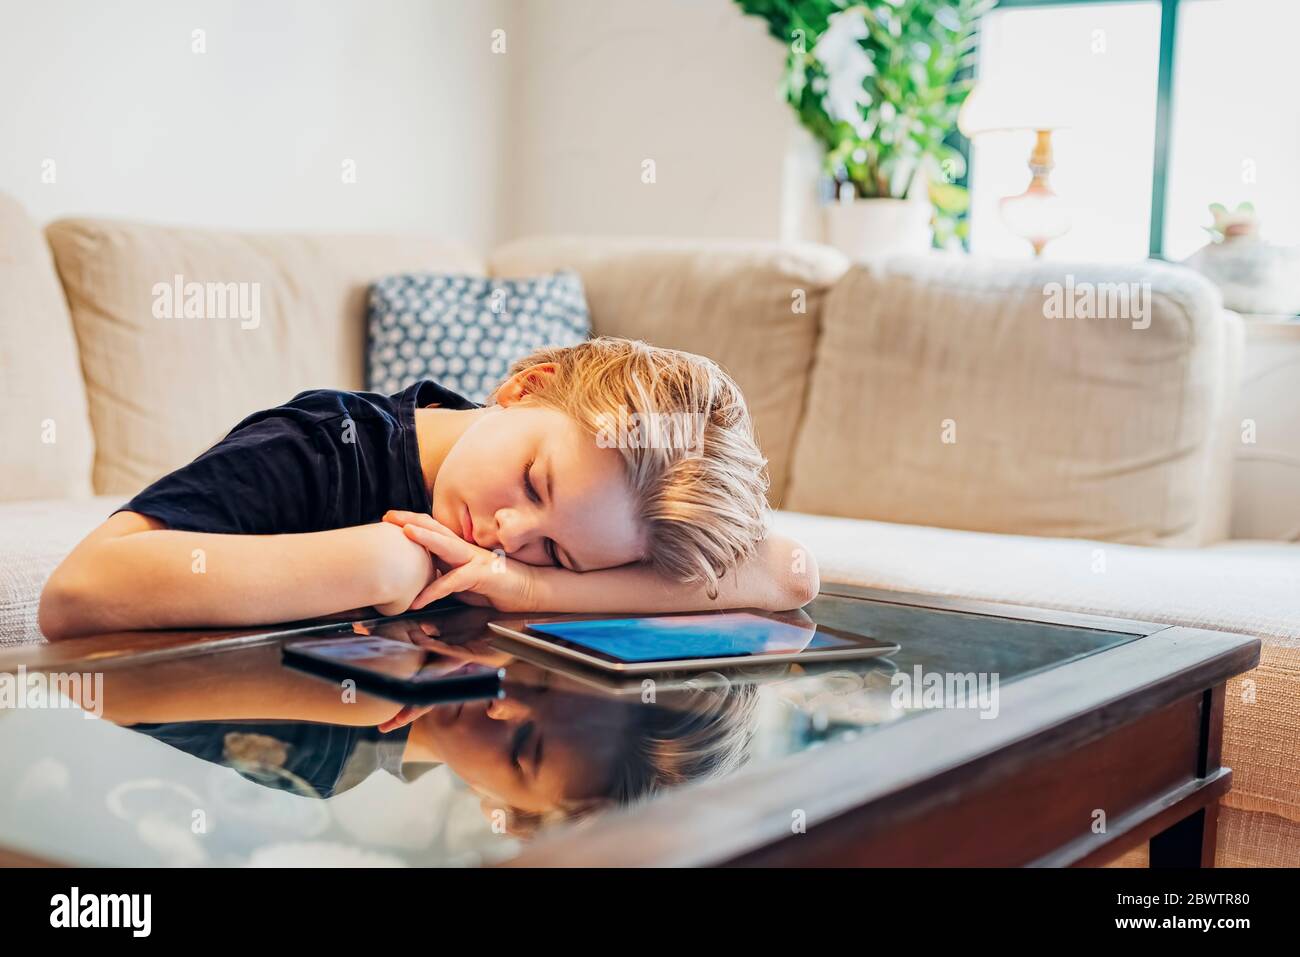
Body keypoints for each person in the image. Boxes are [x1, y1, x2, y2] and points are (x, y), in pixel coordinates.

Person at [39, 337, 819, 639]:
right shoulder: (319, 444)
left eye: (558, 551)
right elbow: (75, 591)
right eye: (533, 483)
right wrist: (384, 564)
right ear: (525, 386)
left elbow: (787, 572)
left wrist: (526, 590)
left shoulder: (513, 560)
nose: (509, 533)